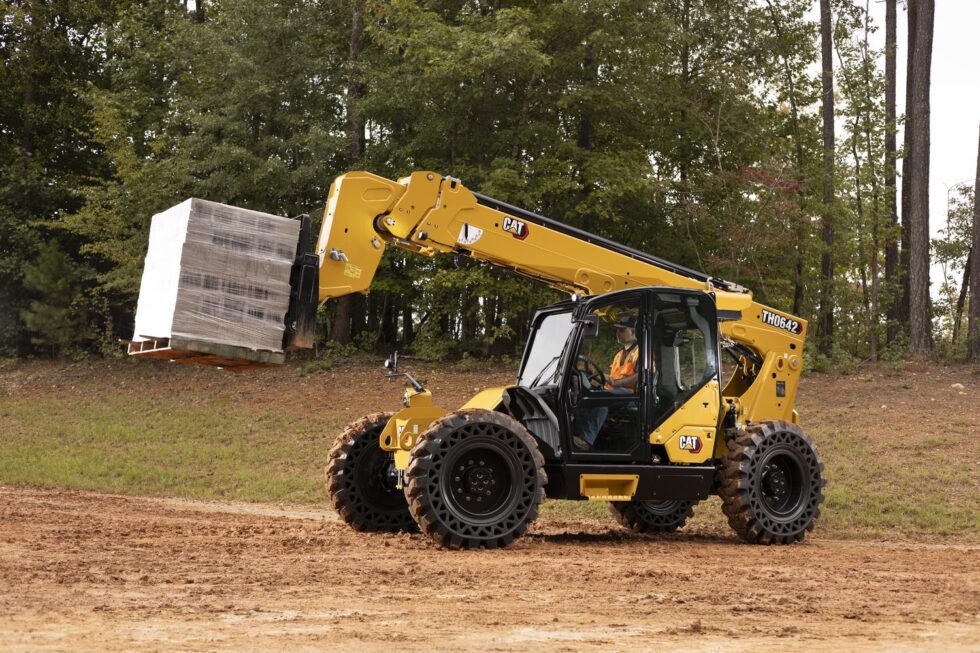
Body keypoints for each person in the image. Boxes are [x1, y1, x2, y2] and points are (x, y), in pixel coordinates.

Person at [573, 321, 643, 450]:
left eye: (622, 330)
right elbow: (612, 378)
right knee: (584, 398)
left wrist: (616, 383)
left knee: (602, 399)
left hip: (632, 394)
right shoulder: (619, 355)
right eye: (617, 330)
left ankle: (586, 440)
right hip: (615, 391)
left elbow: (640, 377)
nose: (618, 333)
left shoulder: (641, 353)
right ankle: (577, 435)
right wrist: (595, 376)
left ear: (633, 332)